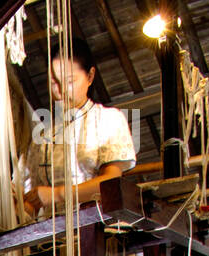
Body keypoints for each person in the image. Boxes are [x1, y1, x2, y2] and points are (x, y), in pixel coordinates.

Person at [23, 36, 136, 220]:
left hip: (98, 231)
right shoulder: (42, 137)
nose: (60, 91)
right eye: (53, 83)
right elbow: (29, 197)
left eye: (69, 81)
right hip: (51, 239)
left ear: (90, 76)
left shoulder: (108, 119)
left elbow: (111, 182)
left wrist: (55, 194)